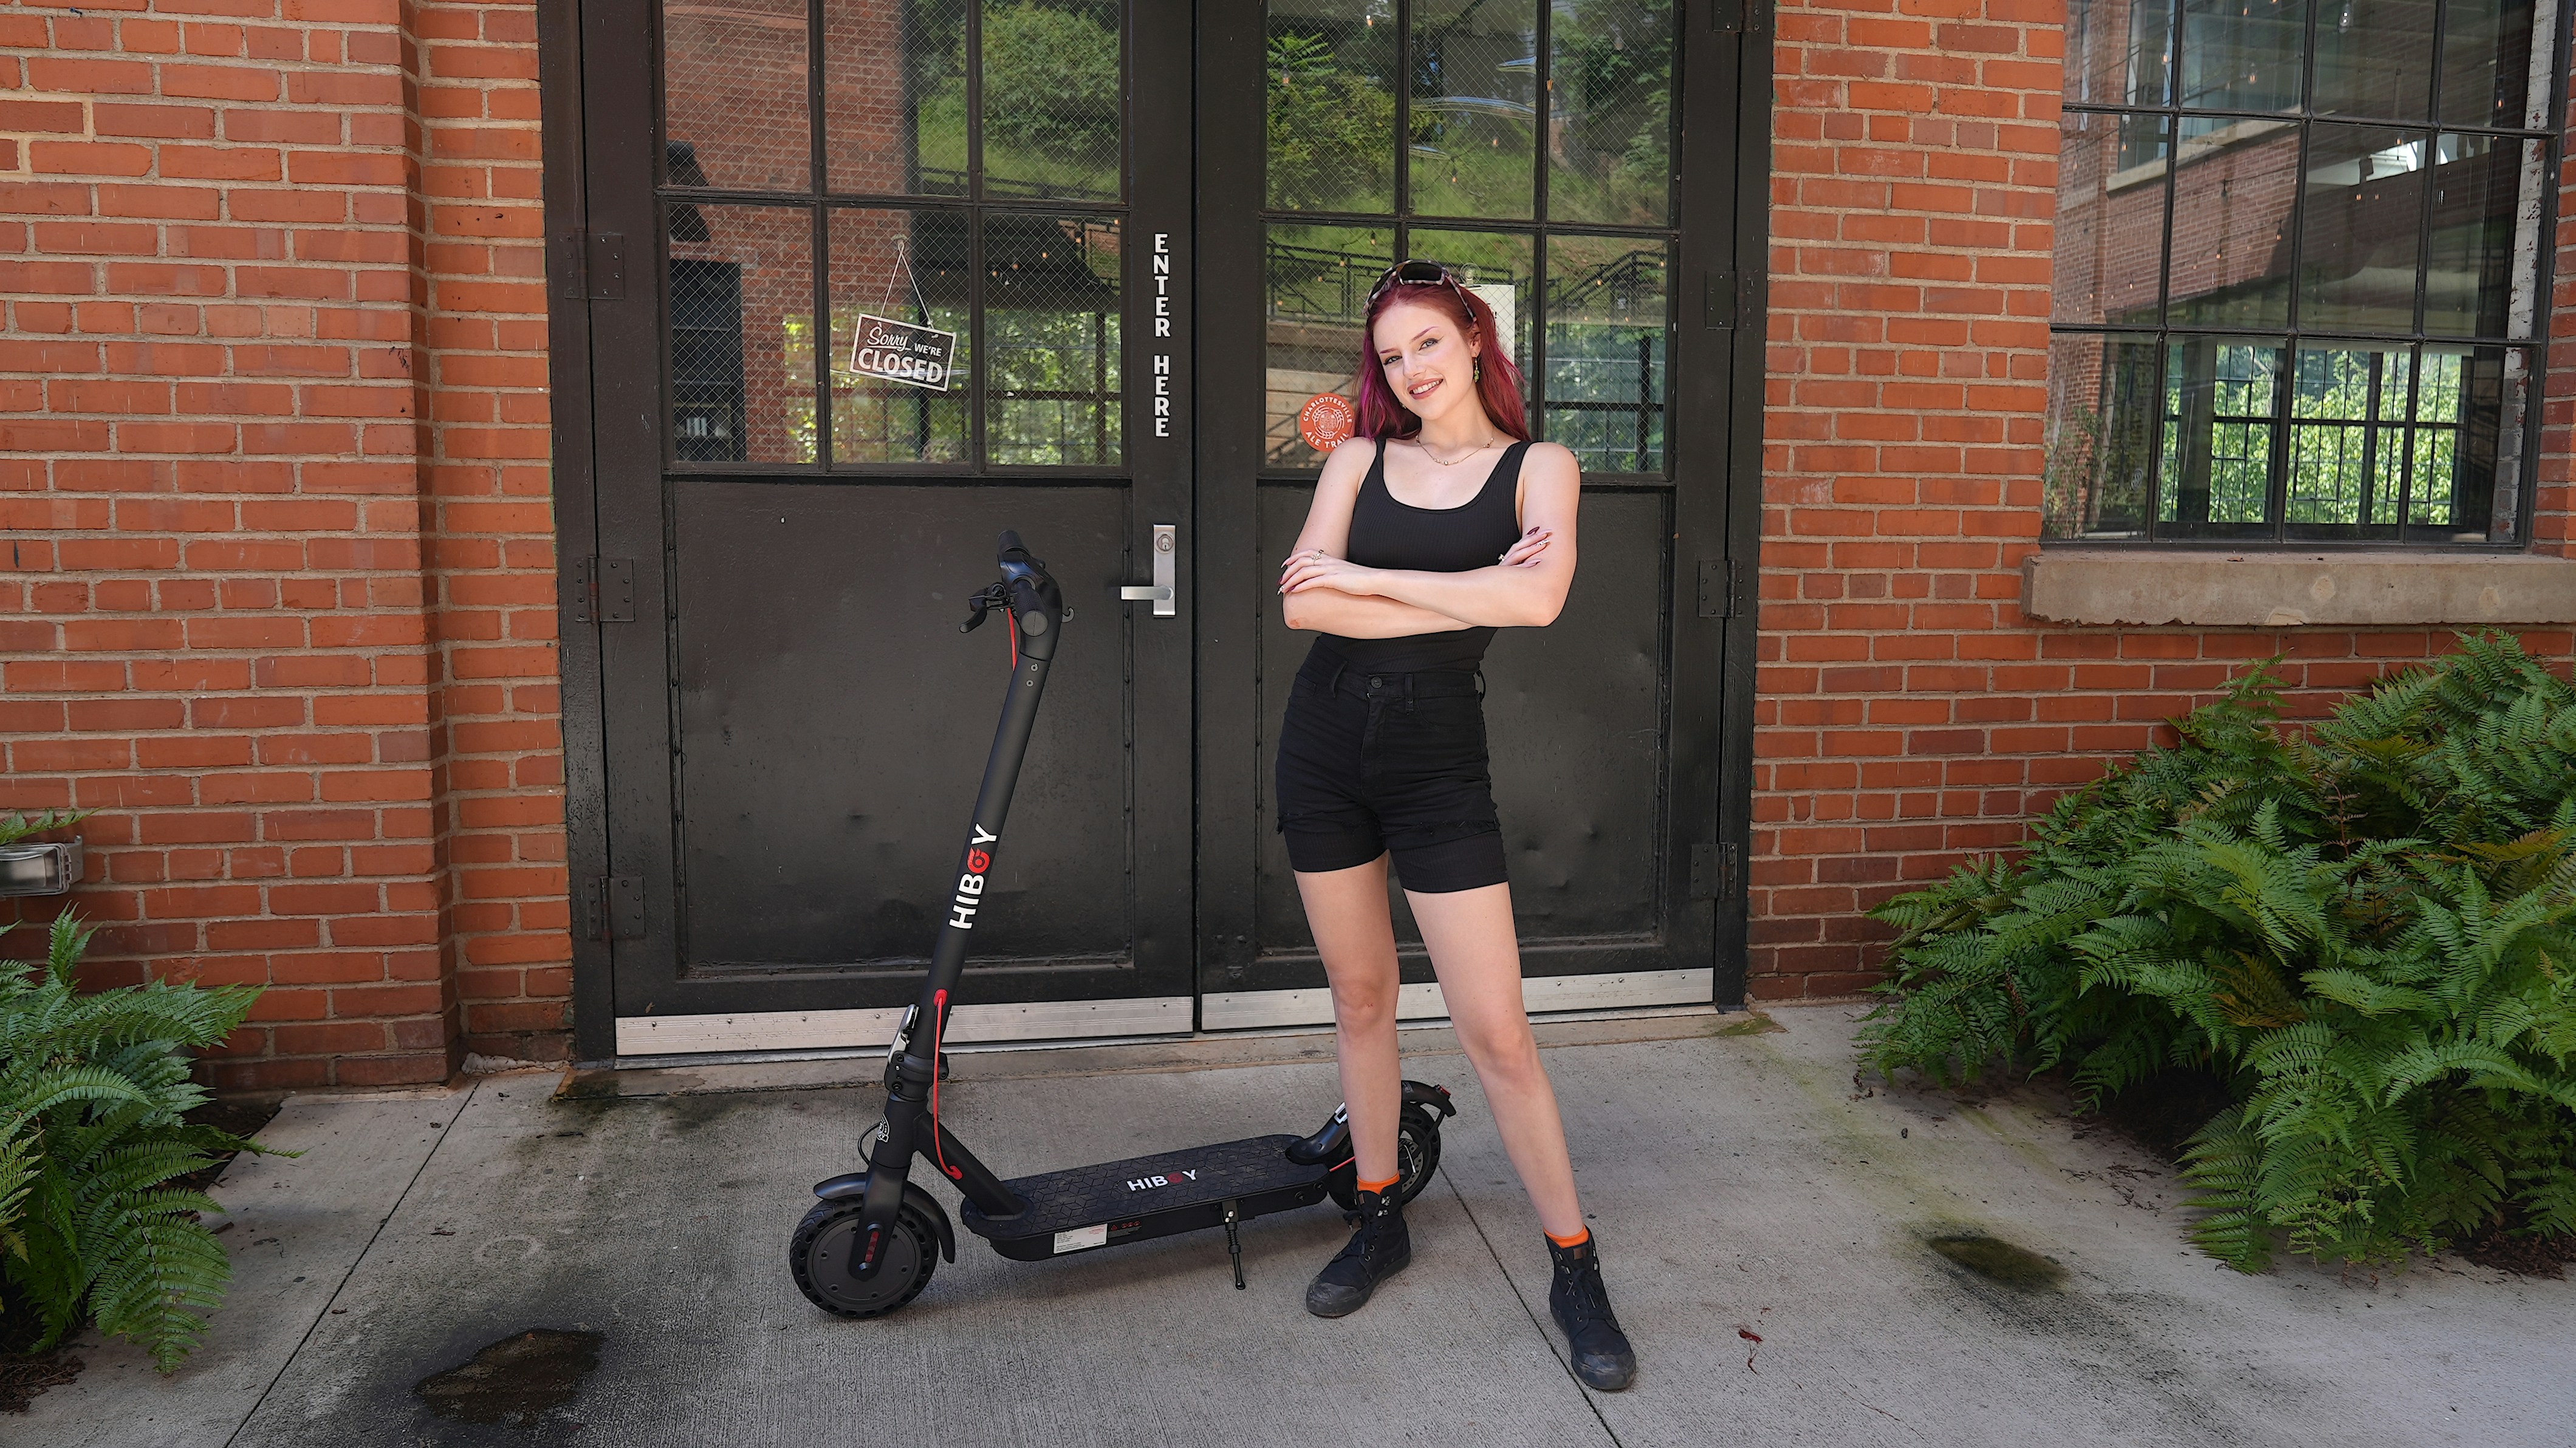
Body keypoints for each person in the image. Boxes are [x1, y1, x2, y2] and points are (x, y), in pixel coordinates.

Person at [1274, 259, 1636, 1392]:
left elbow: (1537, 602)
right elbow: (1301, 604)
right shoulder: (1355, 460)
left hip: (1438, 764)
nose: (1411, 370)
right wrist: (1459, 580)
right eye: (1391, 357)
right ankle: (1377, 1213)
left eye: (1428, 343)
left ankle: (1573, 1263)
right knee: (1364, 997)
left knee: (1496, 1033)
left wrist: (1370, 577)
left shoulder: (1541, 468)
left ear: (1475, 339)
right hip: (1324, 748)